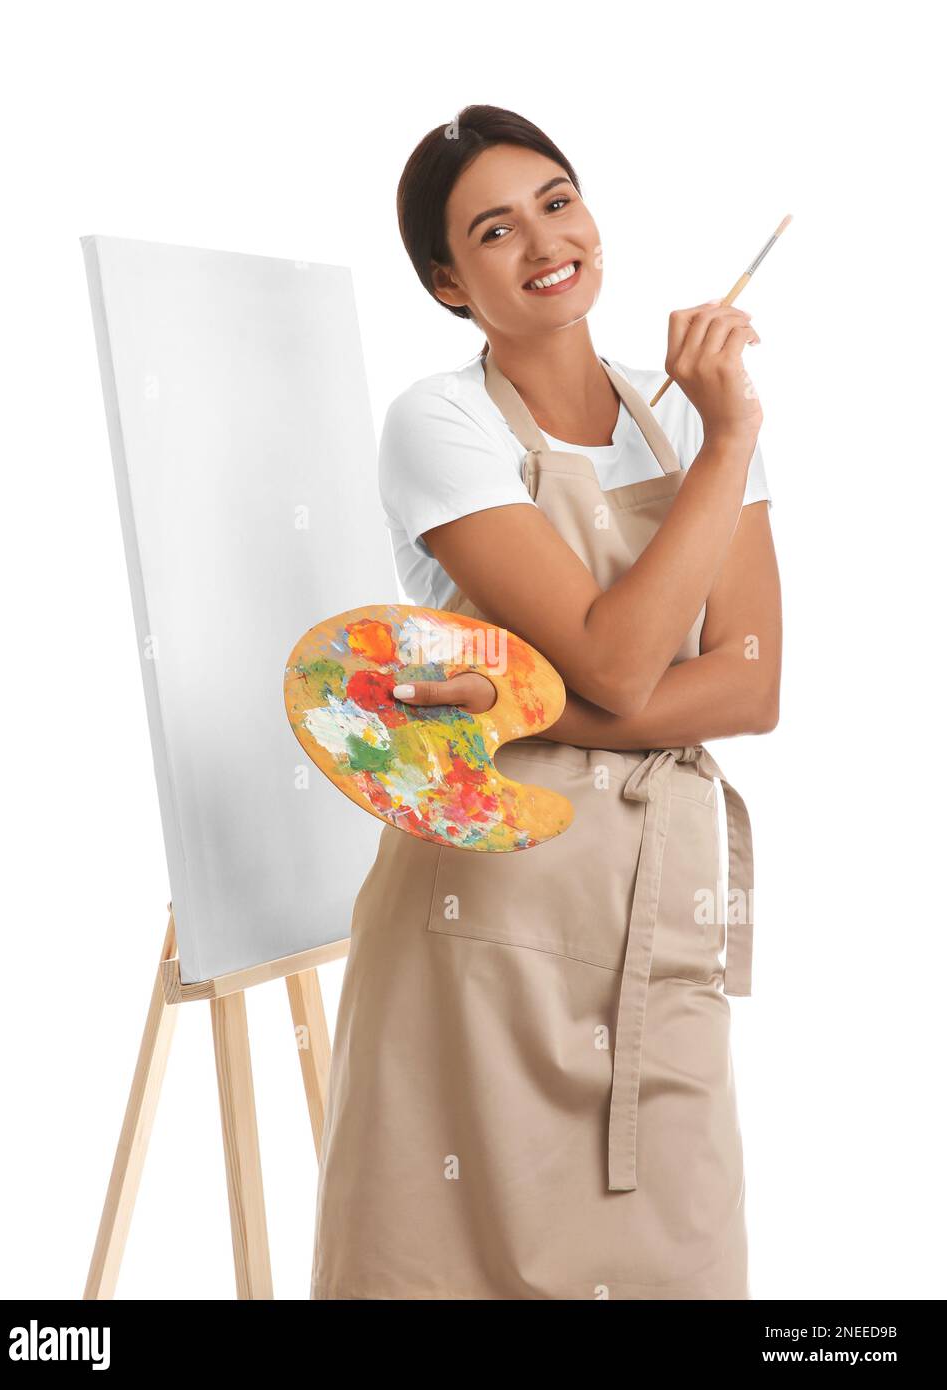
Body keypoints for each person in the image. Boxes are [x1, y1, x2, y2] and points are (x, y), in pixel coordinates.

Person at [309, 104, 781, 1301]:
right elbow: (626, 668)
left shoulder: (691, 418)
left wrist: (515, 707)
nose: (542, 243)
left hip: (656, 905)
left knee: (682, 1257)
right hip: (482, 907)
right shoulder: (442, 422)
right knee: (437, 1263)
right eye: (494, 230)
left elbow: (755, 681)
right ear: (447, 281)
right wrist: (723, 447)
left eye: (556, 203)